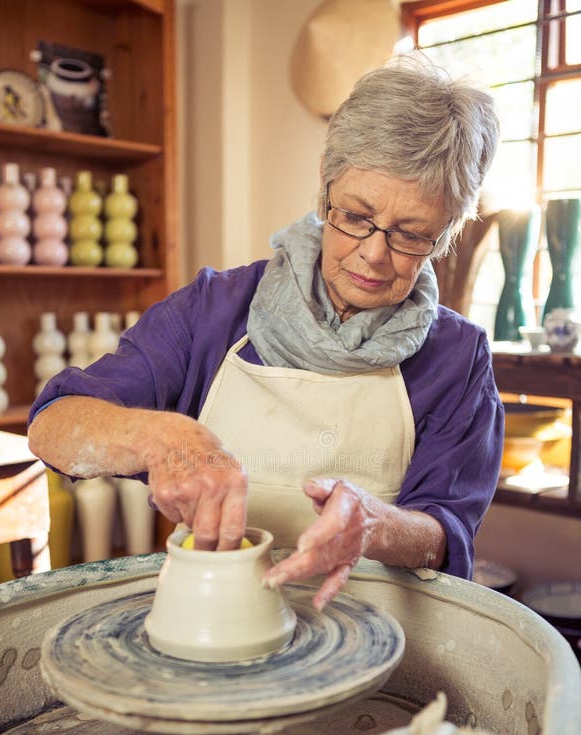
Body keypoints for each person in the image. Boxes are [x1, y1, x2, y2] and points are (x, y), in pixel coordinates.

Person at [28, 54, 504, 610]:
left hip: (378, 640)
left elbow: (445, 532)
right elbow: (52, 426)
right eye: (355, 216)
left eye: (411, 235)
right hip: (213, 620)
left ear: (445, 235)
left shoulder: (456, 355)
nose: (374, 255)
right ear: (325, 187)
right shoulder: (213, 311)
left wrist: (375, 525)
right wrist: (162, 438)